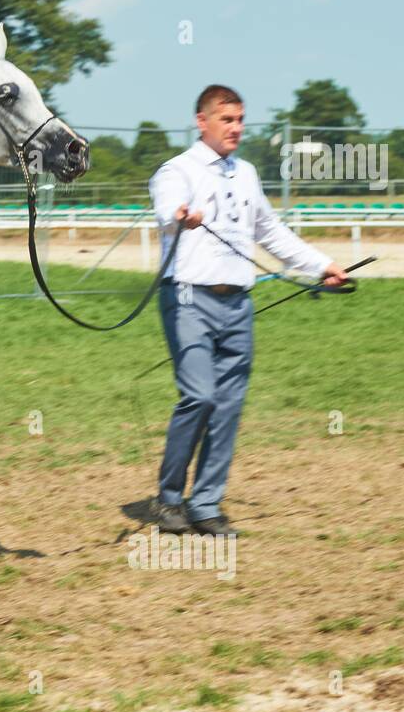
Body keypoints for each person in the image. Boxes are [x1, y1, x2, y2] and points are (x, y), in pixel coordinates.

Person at [148, 86, 348, 534]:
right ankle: (168, 499)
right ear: (202, 122)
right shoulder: (175, 171)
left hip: (238, 302)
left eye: (240, 120)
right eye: (227, 119)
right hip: (187, 298)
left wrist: (322, 266)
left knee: (228, 406)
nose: (236, 128)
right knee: (199, 394)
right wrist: (181, 216)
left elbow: (271, 232)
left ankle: (205, 505)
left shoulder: (248, 174)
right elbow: (166, 212)